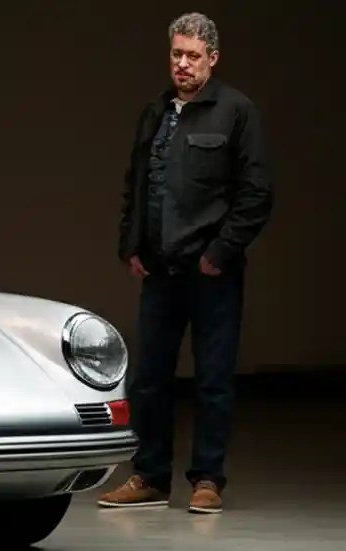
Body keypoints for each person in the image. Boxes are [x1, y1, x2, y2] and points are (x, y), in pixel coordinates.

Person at [98, 12, 273, 514]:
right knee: (149, 378)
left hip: (211, 271)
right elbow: (137, 183)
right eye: (176, 54)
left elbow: (256, 193)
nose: (182, 63)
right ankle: (150, 476)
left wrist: (220, 253)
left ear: (212, 59)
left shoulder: (236, 111)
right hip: (160, 269)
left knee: (213, 379)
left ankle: (208, 479)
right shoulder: (156, 112)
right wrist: (130, 245)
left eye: (193, 56)